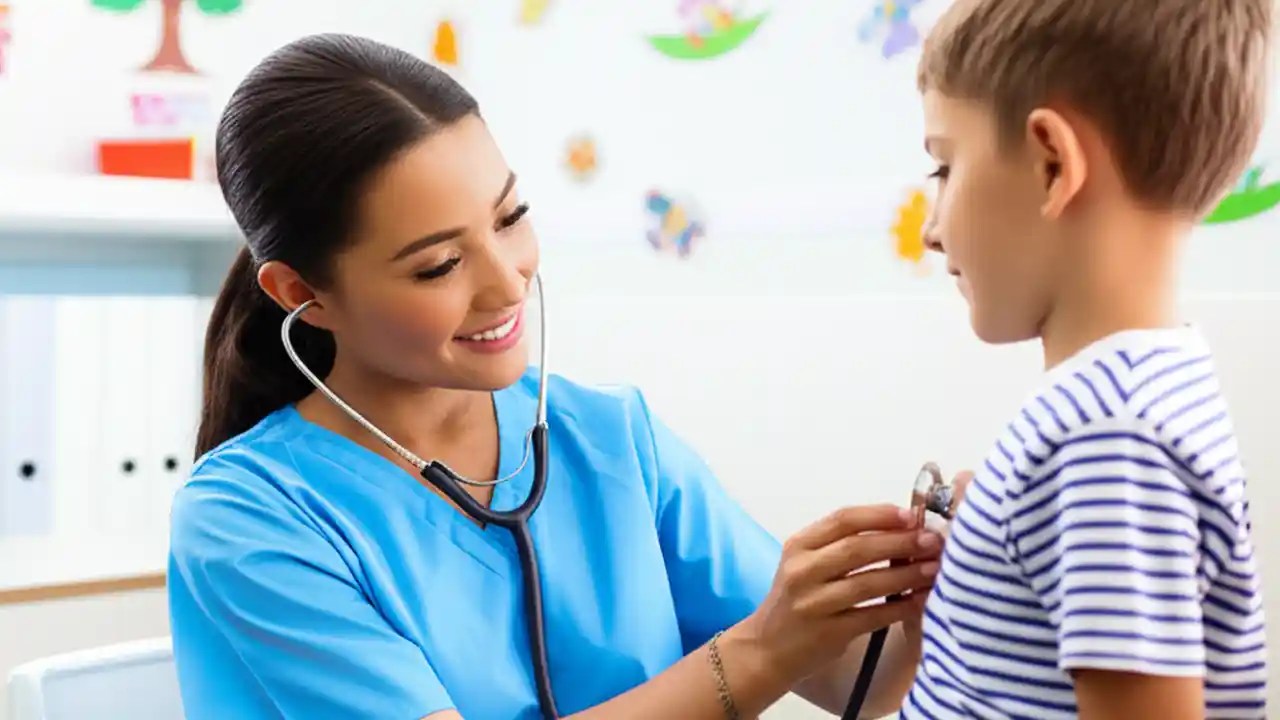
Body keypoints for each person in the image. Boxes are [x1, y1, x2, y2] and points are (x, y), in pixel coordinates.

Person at [167, 33, 945, 719]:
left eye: (509, 218)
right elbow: (767, 649)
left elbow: (863, 687)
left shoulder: (610, 440)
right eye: (439, 265)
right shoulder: (246, 516)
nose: (507, 283)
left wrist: (930, 578)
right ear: (303, 295)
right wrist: (758, 651)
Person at [906, 0, 1270, 717]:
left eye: (944, 169)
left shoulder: (1108, 439)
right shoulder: (1138, 399)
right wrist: (1008, 531)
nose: (932, 232)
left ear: (1051, 164)